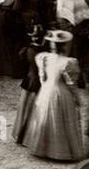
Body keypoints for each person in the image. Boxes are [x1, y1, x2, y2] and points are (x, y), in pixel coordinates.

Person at [22, 29, 84, 161]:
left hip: (47, 90)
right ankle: (60, 151)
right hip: (61, 92)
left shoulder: (44, 58)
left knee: (47, 117)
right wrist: (77, 98)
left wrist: (46, 87)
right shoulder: (68, 62)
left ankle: (44, 149)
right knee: (61, 119)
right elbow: (71, 83)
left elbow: (42, 77)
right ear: (66, 45)